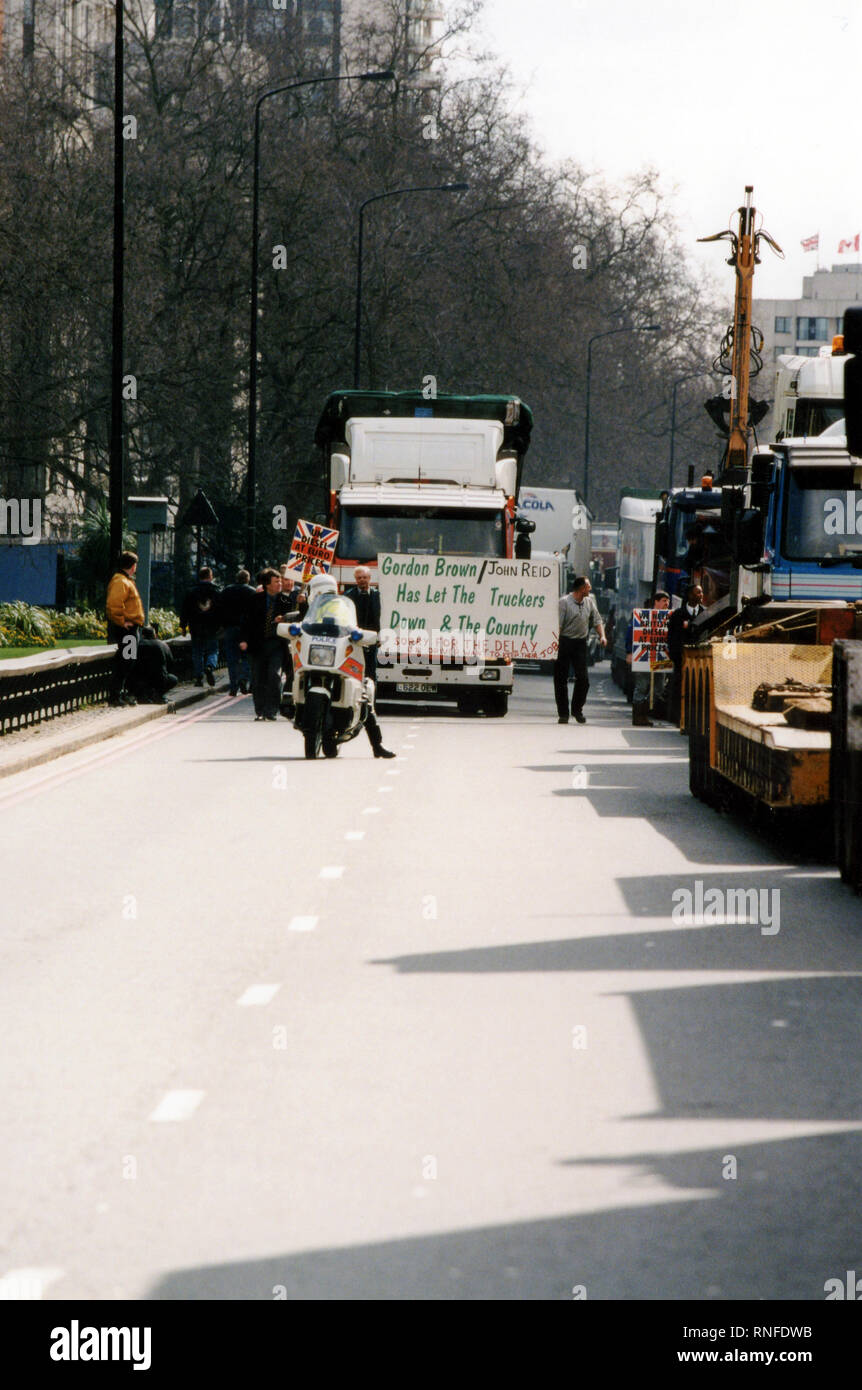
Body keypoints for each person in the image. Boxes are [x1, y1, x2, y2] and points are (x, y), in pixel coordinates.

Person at [239, 567, 294, 719]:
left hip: (277, 644)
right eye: (276, 581)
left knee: (274, 676)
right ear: (267, 584)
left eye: (280, 581)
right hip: (257, 644)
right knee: (258, 679)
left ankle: (271, 711)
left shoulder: (286, 600)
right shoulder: (254, 600)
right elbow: (246, 621)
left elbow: (296, 618)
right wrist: (243, 639)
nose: (280, 584)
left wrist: (284, 618)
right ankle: (260, 710)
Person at [554, 576, 606, 724]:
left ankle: (577, 710)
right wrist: (553, 648)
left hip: (580, 644)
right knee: (560, 679)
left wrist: (602, 636)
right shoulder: (564, 602)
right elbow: (558, 626)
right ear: (581, 588)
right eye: (588, 586)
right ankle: (563, 713)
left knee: (583, 679)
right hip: (564, 642)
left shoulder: (589, 602)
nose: (590, 589)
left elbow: (597, 620)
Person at [626, 591, 670, 727]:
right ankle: (638, 716)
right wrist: (629, 651)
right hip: (644, 657)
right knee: (642, 686)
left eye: (667, 602)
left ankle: (643, 712)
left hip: (660, 658)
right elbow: (631, 632)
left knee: (659, 688)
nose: (666, 604)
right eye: (663, 601)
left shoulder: (669, 618)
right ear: (656, 602)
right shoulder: (643, 616)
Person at [106, 551, 145, 707]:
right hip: (127, 630)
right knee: (126, 661)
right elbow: (113, 605)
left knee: (128, 660)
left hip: (130, 628)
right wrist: (122, 622)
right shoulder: (120, 581)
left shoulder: (124, 580)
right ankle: (116, 695)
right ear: (132, 565)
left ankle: (121, 693)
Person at [668, 582, 705, 724]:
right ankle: (678, 717)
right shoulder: (678, 615)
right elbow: (672, 637)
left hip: (700, 658)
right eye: (698, 592)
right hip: (681, 658)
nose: (701, 595)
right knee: (679, 686)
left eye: (701, 592)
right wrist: (676, 656)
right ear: (690, 595)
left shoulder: (705, 613)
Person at [180, 566, 221, 687]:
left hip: (195, 627)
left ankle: (198, 677)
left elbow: (184, 610)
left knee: (197, 652)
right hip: (211, 627)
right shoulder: (216, 591)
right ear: (210, 576)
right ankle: (210, 666)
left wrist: (183, 626)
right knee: (213, 650)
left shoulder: (191, 591)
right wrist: (221, 625)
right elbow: (221, 610)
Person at [219, 568, 256, 696]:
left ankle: (233, 686)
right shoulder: (252, 592)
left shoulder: (226, 591)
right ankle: (244, 679)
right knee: (246, 656)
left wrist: (223, 625)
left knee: (231, 658)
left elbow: (220, 609)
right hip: (246, 629)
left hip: (230, 628)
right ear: (248, 579)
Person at [344, 565, 382, 684]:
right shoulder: (348, 596)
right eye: (359, 577)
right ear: (355, 579)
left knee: (371, 672)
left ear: (370, 578)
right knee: (352, 670)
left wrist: (380, 636)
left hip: (371, 638)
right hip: (354, 638)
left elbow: (381, 617)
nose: (362, 580)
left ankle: (371, 699)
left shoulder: (378, 595)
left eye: (364, 577)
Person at [129, 626, 179, 704]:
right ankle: (158, 695)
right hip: (160, 680)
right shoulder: (163, 645)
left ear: (143, 636)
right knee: (174, 679)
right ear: (155, 635)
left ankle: (143, 696)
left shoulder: (138, 645)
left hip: (142, 681)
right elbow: (171, 663)